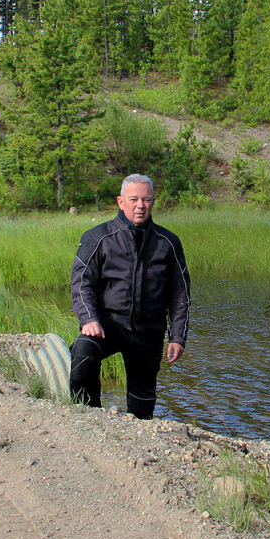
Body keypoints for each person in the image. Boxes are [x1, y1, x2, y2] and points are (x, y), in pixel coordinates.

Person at [69, 174, 191, 420]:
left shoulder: (168, 242)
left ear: (153, 202)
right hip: (106, 325)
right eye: (133, 199)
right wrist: (89, 319)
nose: (140, 205)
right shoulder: (98, 237)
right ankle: (88, 417)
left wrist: (177, 337)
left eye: (146, 200)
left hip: (148, 331)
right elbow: (82, 283)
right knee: (83, 355)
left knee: (142, 409)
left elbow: (180, 294)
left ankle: (138, 437)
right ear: (120, 201)